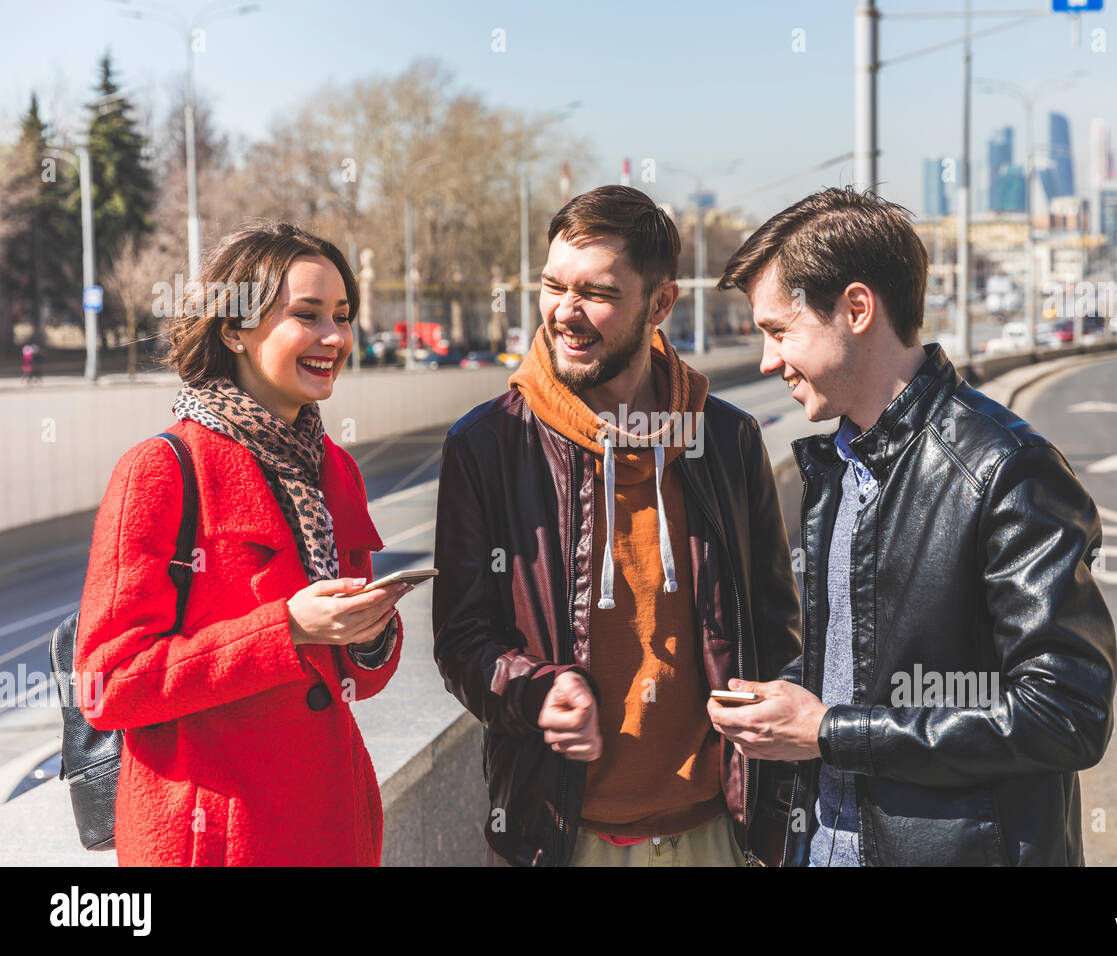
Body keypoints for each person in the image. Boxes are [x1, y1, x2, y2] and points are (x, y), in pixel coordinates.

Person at [709, 187, 1117, 866]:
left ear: (857, 309)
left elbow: (1066, 714)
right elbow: (873, 664)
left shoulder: (1006, 470)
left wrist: (830, 730)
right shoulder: (836, 467)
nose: (766, 361)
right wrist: (784, 699)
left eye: (779, 331)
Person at [432, 185, 801, 867]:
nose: (564, 313)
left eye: (596, 293)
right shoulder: (487, 446)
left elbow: (775, 632)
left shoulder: (725, 439)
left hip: (721, 832)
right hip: (562, 838)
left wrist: (782, 810)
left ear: (660, 305)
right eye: (552, 286)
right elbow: (461, 640)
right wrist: (534, 689)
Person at [75, 221, 411, 866]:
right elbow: (107, 682)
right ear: (234, 329)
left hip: (331, 824)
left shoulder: (334, 467)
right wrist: (286, 630)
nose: (334, 338)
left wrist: (367, 633)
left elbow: (353, 681)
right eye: (306, 315)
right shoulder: (162, 469)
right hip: (214, 840)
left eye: (342, 316)